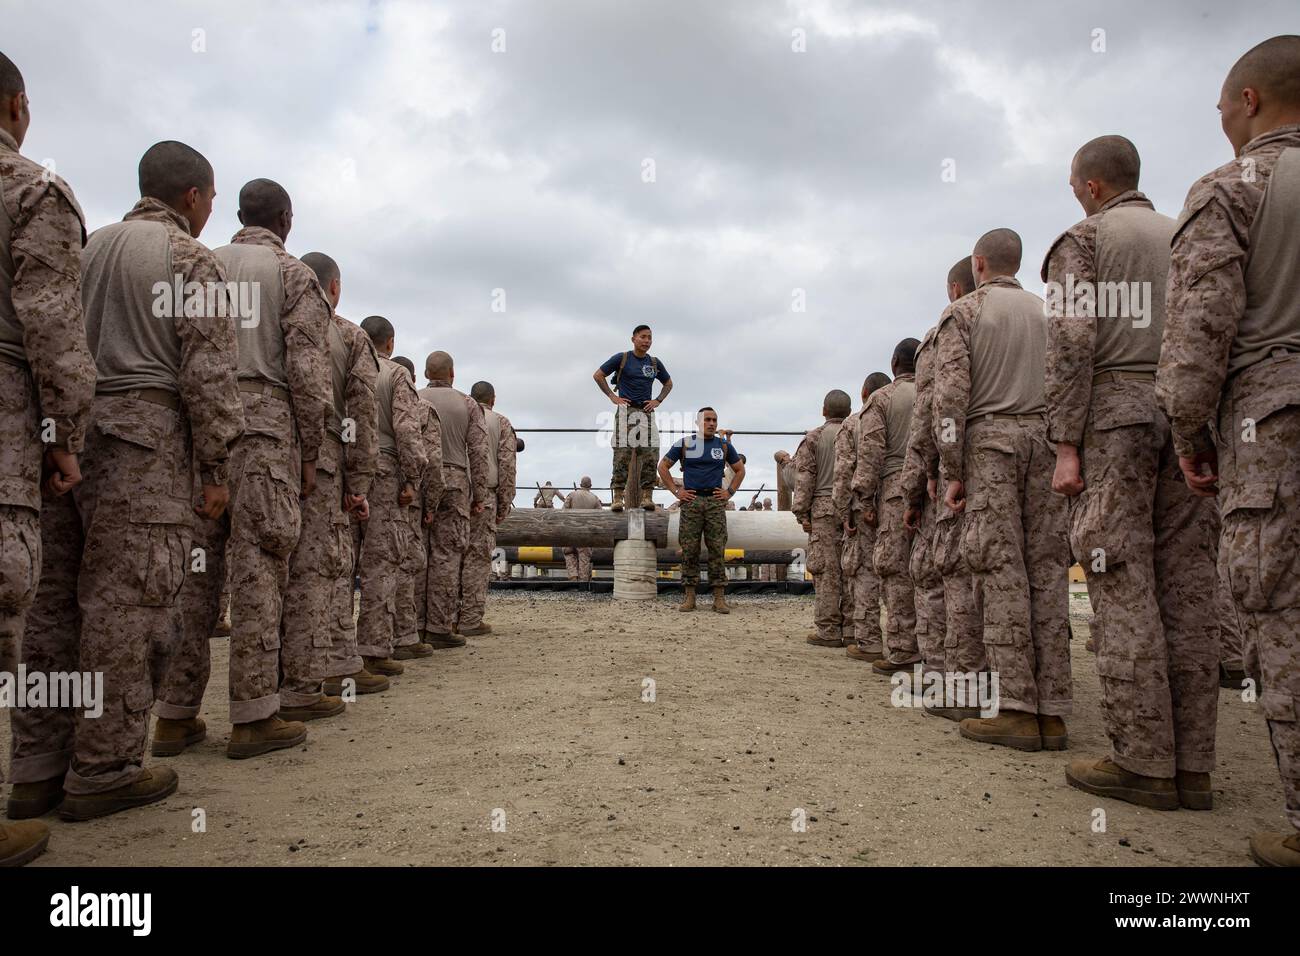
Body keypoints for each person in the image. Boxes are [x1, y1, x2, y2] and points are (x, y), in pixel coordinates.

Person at [18, 141, 241, 819]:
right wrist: (215, 468)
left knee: (54, 614)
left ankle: (35, 771)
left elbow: (46, 334)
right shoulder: (189, 259)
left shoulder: (85, 247)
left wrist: (55, 433)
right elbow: (207, 374)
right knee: (129, 612)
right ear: (195, 198)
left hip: (71, 442)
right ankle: (106, 768)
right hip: (146, 449)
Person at [1155, 35, 1300, 866]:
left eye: (1219, 105)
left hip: (1274, 417)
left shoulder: (1235, 187)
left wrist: (1190, 434)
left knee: (1280, 618)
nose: (1217, 119)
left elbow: (1201, 331)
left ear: (1248, 100)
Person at [1043, 135, 1220, 811]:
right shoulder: (1186, 232)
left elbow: (1071, 343)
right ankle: (1195, 766)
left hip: (1113, 421)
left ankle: (1144, 762)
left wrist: (1065, 441)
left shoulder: (1083, 242)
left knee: (1119, 580)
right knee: (1188, 586)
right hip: (1186, 420)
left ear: (1090, 187)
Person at [0, 51, 95, 864]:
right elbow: (51, 327)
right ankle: (94, 769)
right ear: (18, 106)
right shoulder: (33, 192)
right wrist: (64, 437)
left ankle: (33, 772)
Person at [935, 228, 1071, 752]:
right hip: (1046, 442)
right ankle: (1053, 709)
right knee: (1047, 571)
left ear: (979, 263)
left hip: (991, 445)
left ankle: (1015, 707)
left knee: (1000, 571)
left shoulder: (965, 313)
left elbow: (950, 400)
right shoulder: (1048, 309)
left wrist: (952, 470)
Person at [298, 256, 387, 699]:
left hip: (235, 452)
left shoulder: (246, 305)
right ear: (334, 287)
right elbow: (360, 415)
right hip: (322, 465)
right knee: (326, 569)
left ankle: (177, 712)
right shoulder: (348, 335)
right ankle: (328, 670)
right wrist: (358, 484)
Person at [904, 257, 984, 719]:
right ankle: (1036, 701)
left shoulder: (953, 325)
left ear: (957, 286)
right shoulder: (1040, 312)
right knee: (1027, 576)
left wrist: (932, 478)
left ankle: (960, 688)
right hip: (1041, 458)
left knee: (950, 576)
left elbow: (939, 412)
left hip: (970, 468)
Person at [355, 319, 427, 673]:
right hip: (384, 472)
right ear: (391, 341)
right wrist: (412, 479)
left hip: (342, 469)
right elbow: (406, 429)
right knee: (382, 564)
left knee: (337, 567)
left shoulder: (346, 361)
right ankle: (373, 651)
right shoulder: (397, 374)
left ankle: (334, 658)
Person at [852, 343, 924, 678]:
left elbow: (870, 455)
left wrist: (864, 502)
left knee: (895, 571)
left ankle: (902, 651)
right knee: (932, 570)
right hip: (935, 486)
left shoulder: (881, 400)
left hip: (895, 490)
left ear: (894, 363)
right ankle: (934, 652)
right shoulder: (933, 389)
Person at [418, 351, 488, 646]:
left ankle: (411, 627)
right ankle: (439, 627)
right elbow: (479, 452)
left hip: (421, 478)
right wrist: (480, 494)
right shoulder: (468, 404)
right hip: (456, 481)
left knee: (417, 554)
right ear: (453, 374)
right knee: (447, 557)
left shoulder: (414, 397)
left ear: (425, 374)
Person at [658, 407, 743, 613]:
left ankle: (719, 598)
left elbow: (740, 470)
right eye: (707, 420)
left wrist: (729, 492)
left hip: (715, 502)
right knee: (689, 549)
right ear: (698, 423)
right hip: (691, 502)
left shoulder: (723, 445)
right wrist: (677, 492)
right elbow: (663, 466)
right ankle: (689, 597)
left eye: (714, 420)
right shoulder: (685, 444)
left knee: (717, 549)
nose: (712, 423)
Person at [832, 372, 891, 661]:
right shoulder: (916, 403)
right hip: (904, 498)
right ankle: (909, 643)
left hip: (867, 504)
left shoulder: (853, 423)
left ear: (864, 393)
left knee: (866, 570)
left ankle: (868, 641)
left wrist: (845, 510)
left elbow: (845, 470)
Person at [456, 381, 516, 634]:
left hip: (455, 491)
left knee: (449, 555)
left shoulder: (459, 415)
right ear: (493, 399)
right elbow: (507, 465)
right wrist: (504, 502)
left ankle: (442, 619)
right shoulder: (500, 422)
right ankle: (469, 619)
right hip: (486, 495)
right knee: (478, 557)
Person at [391, 355, 440, 660]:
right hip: (403, 494)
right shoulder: (420, 407)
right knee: (405, 562)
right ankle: (403, 637)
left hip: (357, 486)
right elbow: (429, 458)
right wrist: (425, 496)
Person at [794, 390, 853, 646]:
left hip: (823, 509)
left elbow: (804, 479)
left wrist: (802, 512)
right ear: (849, 412)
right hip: (853, 509)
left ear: (823, 411)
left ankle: (828, 630)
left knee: (826, 571)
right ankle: (853, 629)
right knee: (852, 569)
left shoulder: (814, 438)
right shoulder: (857, 432)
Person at [595, 324, 672, 511]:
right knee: (622, 453)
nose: (647, 341)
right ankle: (618, 497)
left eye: (650, 337)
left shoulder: (654, 362)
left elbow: (668, 383)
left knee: (651, 452)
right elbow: (598, 375)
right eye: (643, 337)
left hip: (646, 412)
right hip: (626, 411)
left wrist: (658, 400)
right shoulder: (622, 358)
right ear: (633, 339)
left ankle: (647, 496)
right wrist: (612, 397)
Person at [562, 476, 603, 582]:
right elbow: (600, 516)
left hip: (571, 531)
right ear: (590, 486)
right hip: (586, 533)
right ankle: (583, 582)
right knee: (584, 557)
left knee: (569, 553)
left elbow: (563, 512)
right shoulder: (595, 498)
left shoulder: (572, 495)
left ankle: (573, 576)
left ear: (580, 485)